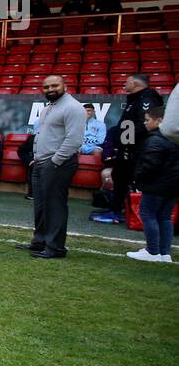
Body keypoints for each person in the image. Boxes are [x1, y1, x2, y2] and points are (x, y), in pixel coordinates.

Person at [16, 75, 86, 260]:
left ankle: (55, 248)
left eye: (55, 85)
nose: (50, 89)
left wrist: (55, 161)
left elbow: (74, 140)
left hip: (57, 164)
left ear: (65, 86)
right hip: (41, 162)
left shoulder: (74, 107)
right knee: (40, 205)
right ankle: (40, 241)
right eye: (46, 87)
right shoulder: (48, 108)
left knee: (54, 206)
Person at [103, 73, 165, 222]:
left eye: (127, 82)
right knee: (119, 177)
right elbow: (129, 123)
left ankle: (125, 212)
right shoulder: (134, 99)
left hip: (136, 150)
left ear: (136, 84)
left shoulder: (147, 99)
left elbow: (143, 125)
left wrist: (126, 142)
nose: (125, 84)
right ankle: (115, 208)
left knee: (128, 178)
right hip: (127, 149)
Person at [127, 106, 178, 262]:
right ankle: (165, 253)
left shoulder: (155, 139)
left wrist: (139, 180)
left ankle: (152, 251)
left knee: (149, 215)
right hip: (173, 185)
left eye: (148, 120)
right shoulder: (175, 139)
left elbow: (149, 165)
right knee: (165, 217)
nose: (145, 123)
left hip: (156, 185)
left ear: (160, 120)